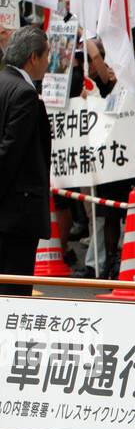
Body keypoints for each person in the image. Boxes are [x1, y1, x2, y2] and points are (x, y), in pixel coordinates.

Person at [0, 26, 51, 294]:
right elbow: (10, 152)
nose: (48, 62)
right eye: (47, 56)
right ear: (34, 57)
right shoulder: (25, 94)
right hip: (17, 210)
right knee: (13, 292)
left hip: (8, 210)